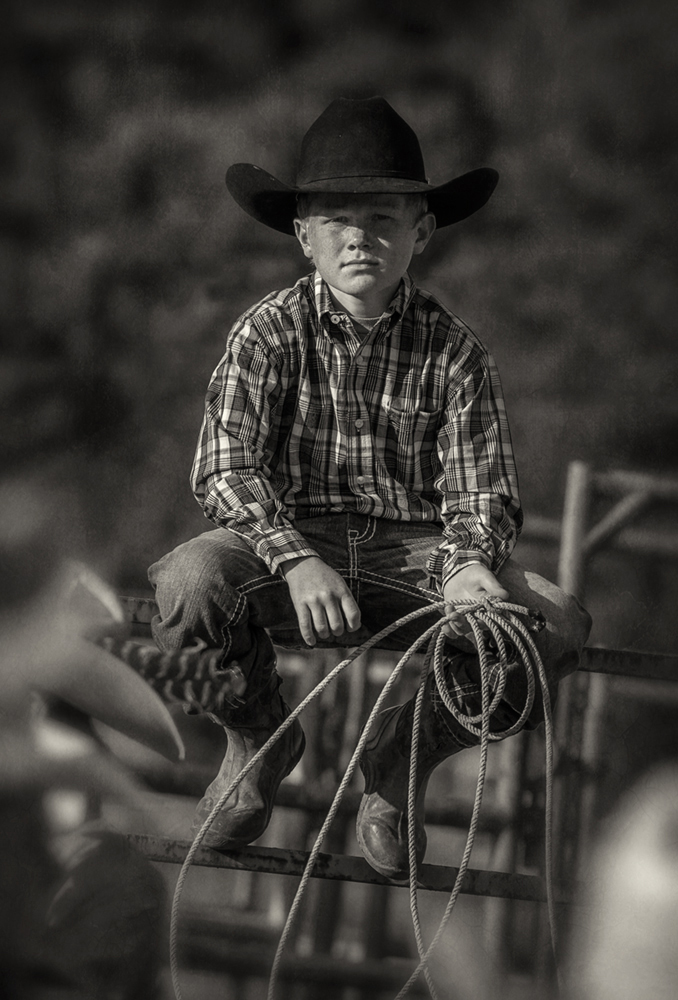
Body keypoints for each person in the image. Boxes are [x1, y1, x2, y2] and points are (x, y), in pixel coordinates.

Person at [146, 96, 592, 880]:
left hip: (414, 555)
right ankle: (257, 741)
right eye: (340, 219)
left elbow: (481, 494)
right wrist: (292, 558)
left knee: (550, 624)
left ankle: (400, 763)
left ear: (421, 232)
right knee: (188, 583)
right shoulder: (269, 331)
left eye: (385, 218)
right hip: (286, 545)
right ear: (304, 233)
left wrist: (465, 565)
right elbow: (223, 465)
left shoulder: (457, 354)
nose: (362, 237)